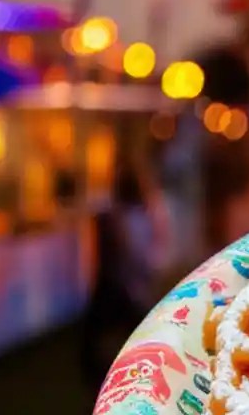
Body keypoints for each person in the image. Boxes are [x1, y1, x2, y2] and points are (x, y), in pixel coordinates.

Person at [82, 164, 172, 389]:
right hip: (127, 291)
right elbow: (149, 256)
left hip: (120, 290)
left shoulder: (117, 216)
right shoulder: (135, 216)